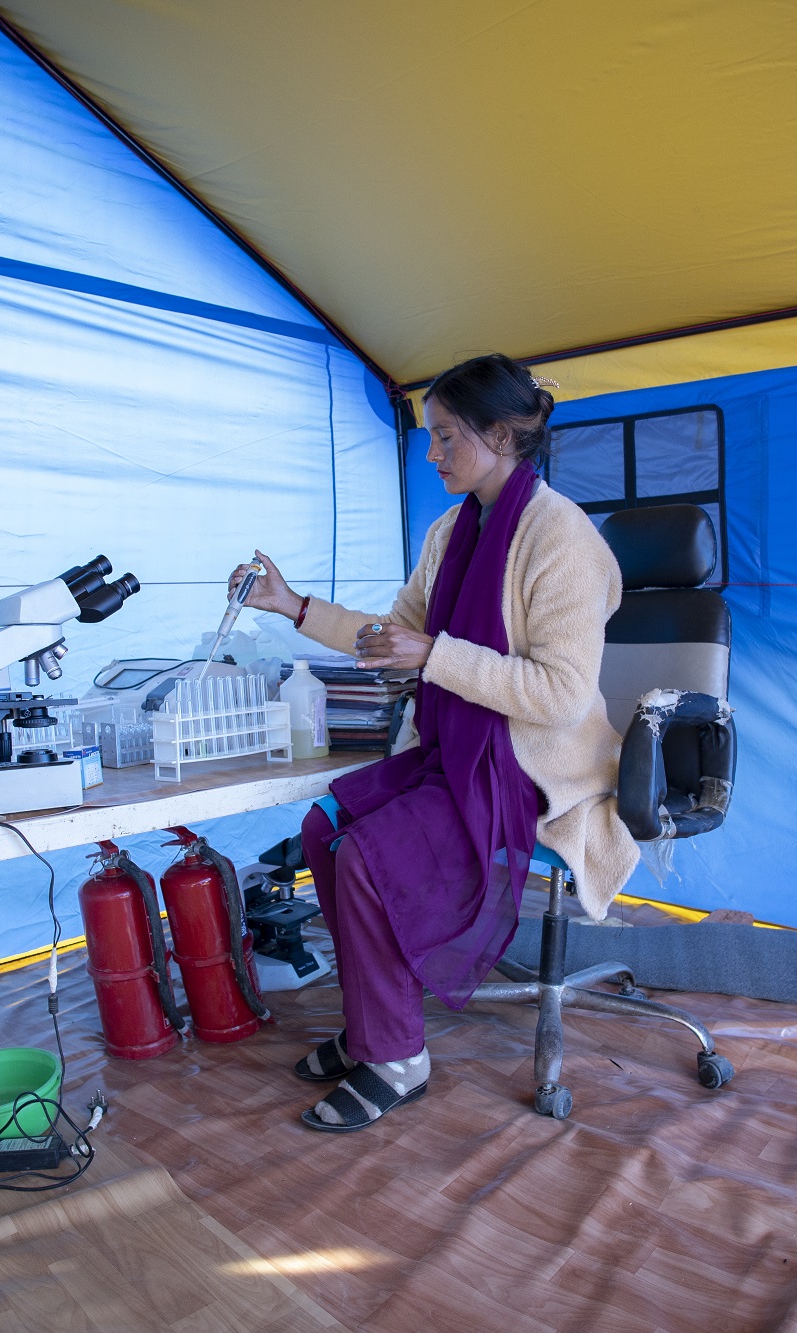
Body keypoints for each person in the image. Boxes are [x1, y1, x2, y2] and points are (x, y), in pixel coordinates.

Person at [228, 353, 640, 1132]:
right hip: (456, 752)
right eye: (432, 437)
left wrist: (435, 656)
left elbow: (556, 694)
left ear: (501, 434)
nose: (433, 453)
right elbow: (394, 637)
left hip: (532, 767)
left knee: (367, 856)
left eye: (447, 436)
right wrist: (294, 605)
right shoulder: (453, 530)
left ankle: (398, 1056)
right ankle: (369, 1021)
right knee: (325, 829)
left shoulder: (562, 540)